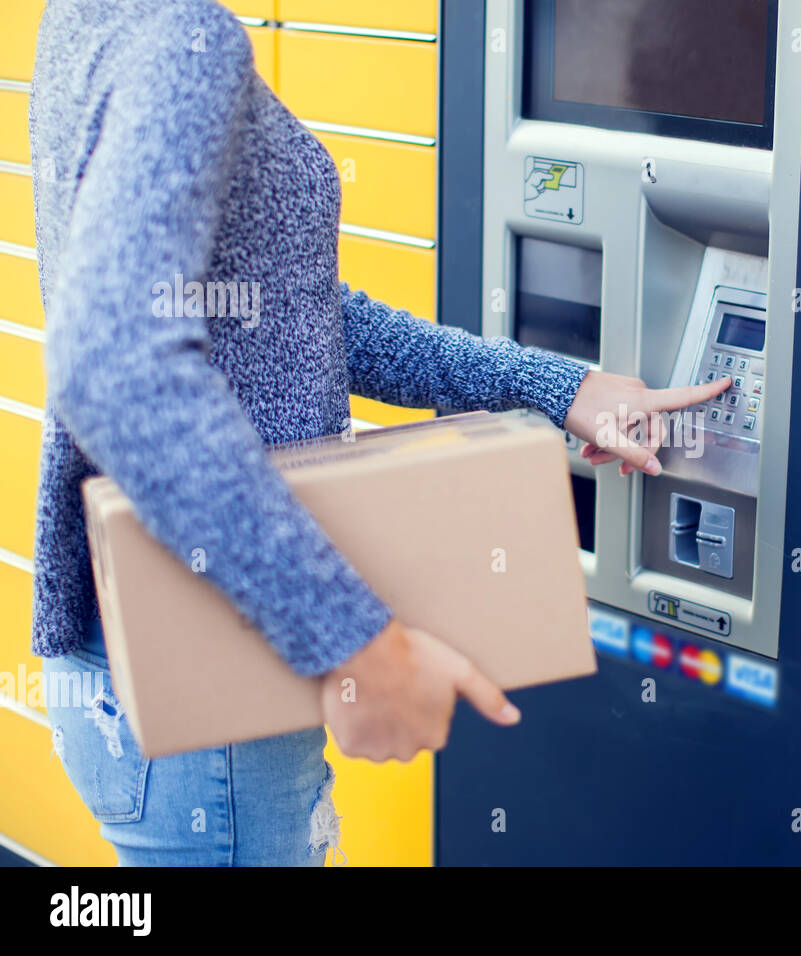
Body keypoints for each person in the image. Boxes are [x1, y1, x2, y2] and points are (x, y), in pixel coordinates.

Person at [29, 0, 730, 866]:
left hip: (147, 662)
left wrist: (556, 384)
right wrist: (354, 640)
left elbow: (288, 320)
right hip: (211, 687)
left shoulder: (91, 17)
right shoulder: (184, 38)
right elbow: (113, 364)